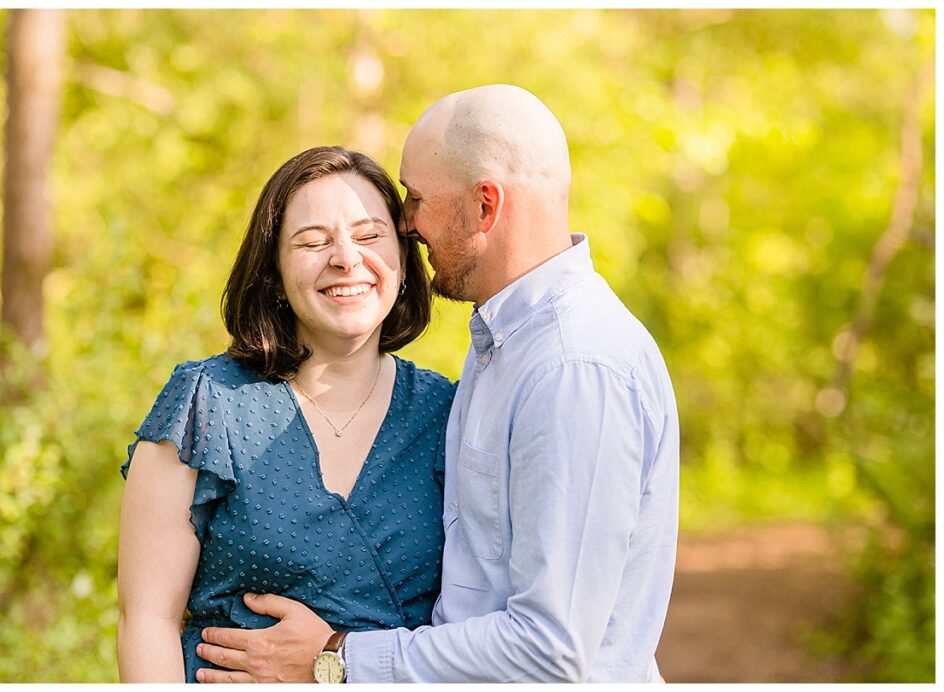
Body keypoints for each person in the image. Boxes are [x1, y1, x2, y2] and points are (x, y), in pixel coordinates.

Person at [194, 84, 680, 683]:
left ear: (484, 206)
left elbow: (551, 649)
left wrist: (337, 658)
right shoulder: (506, 345)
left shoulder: (573, 368)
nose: (405, 223)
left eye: (416, 198)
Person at [116, 146, 455, 682]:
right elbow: (148, 619)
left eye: (369, 236)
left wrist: (330, 661)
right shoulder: (207, 403)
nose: (345, 258)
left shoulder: (450, 415)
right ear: (273, 270)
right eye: (313, 242)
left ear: (403, 260)